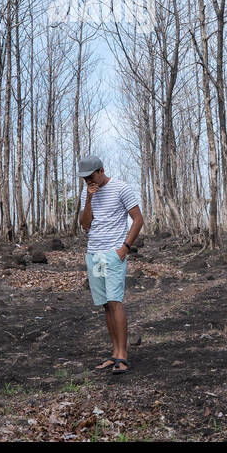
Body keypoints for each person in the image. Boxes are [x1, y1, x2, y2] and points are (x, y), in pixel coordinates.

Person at [76, 154, 143, 375]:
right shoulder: (90, 193)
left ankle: (123, 356)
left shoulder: (121, 188)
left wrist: (125, 247)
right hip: (94, 254)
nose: (88, 181)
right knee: (105, 304)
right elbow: (85, 225)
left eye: (90, 176)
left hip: (113, 254)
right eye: (84, 178)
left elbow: (138, 219)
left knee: (115, 302)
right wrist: (87, 199)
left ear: (101, 171)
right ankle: (114, 353)